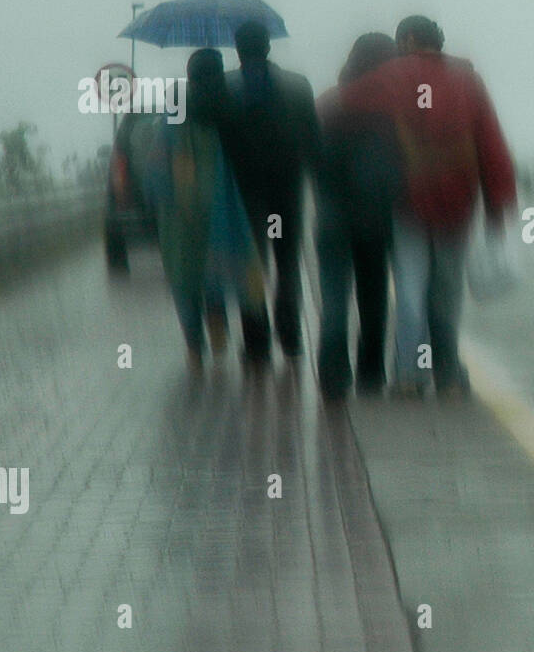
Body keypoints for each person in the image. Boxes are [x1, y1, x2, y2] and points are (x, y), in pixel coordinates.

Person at [339, 16, 516, 398]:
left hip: (408, 201)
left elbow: (345, 102)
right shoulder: (468, 80)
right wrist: (499, 201)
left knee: (410, 287)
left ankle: (409, 373)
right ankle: (448, 373)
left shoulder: (393, 75)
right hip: (458, 200)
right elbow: (490, 141)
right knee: (447, 290)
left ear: (409, 39)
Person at [146, 48, 270, 368]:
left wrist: (157, 200)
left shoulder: (176, 110)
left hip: (179, 212)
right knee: (216, 270)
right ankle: (218, 332)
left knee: (184, 275)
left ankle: (194, 345)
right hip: (223, 208)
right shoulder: (229, 105)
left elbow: (159, 163)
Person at [221, 20, 320, 357]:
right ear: (268, 47)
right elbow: (313, 141)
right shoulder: (298, 86)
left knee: (251, 264)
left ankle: (256, 341)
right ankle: (290, 336)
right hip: (287, 192)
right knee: (287, 263)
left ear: (237, 49)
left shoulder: (225, 87)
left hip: (244, 195)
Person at [314, 33, 402, 399]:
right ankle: (371, 372)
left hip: (332, 215)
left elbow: (312, 159)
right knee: (373, 295)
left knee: (334, 297)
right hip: (376, 217)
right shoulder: (391, 107)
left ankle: (333, 375)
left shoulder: (327, 104)